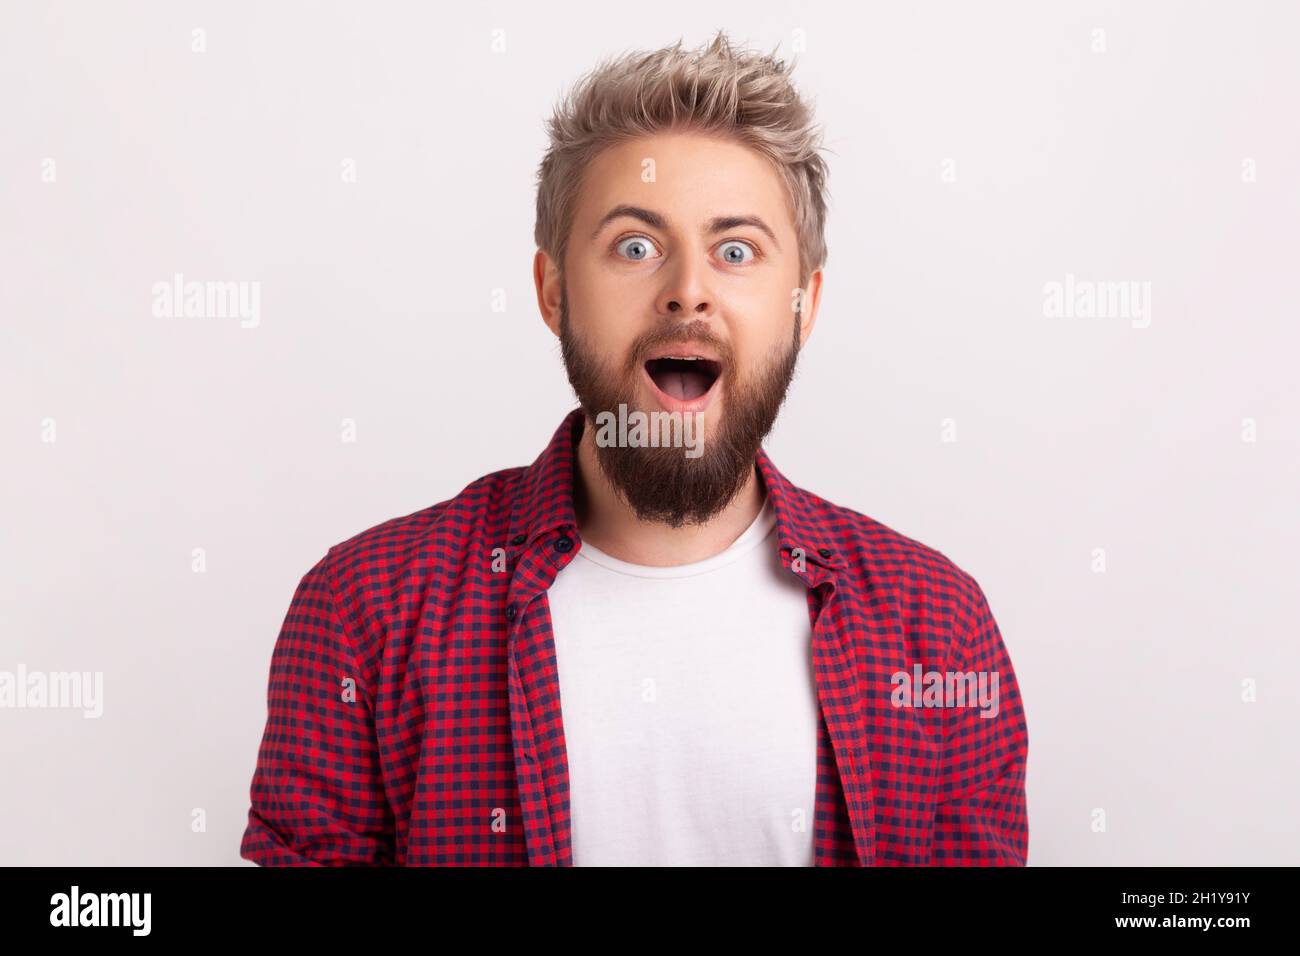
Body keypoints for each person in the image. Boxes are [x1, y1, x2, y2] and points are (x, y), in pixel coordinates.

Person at [240, 30, 1028, 867]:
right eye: (636, 246)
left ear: (805, 302)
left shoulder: (938, 629)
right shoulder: (366, 611)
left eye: (736, 251)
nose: (687, 289)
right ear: (554, 291)